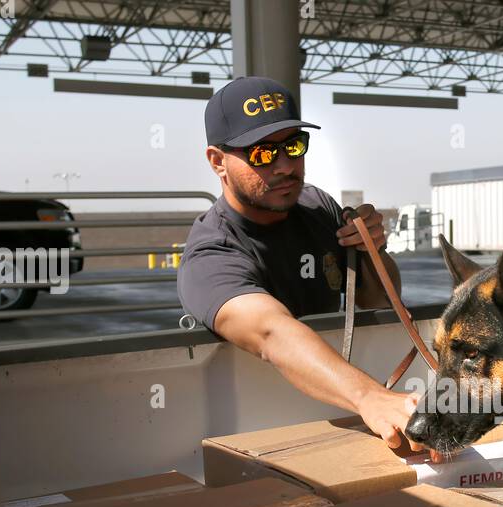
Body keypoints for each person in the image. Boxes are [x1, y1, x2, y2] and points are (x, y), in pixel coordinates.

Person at [177, 76, 421, 450]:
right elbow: (271, 332)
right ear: (217, 162)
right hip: (257, 432)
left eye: (294, 145)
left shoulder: (317, 207)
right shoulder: (212, 253)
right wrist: (370, 398)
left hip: (336, 416)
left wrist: (373, 249)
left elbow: (378, 301)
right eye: (261, 153)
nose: (285, 165)